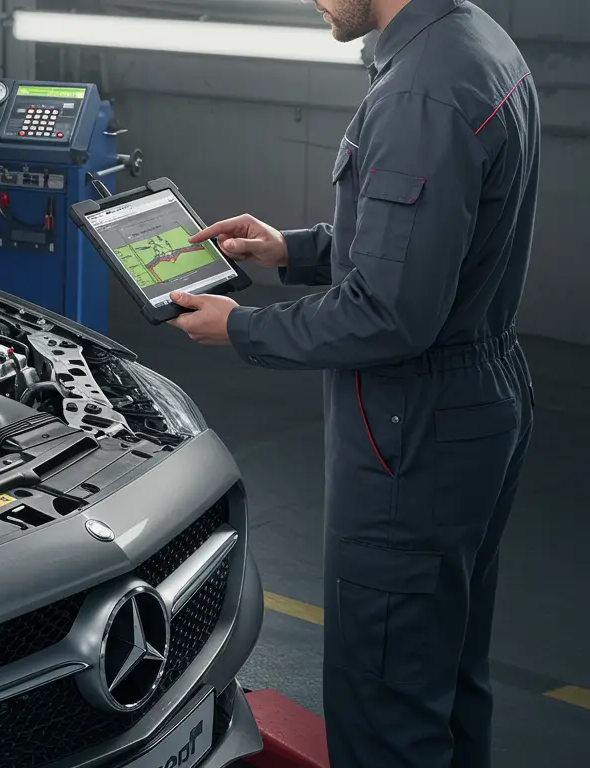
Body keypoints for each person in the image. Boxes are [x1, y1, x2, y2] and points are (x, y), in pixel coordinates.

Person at [164, 1, 539, 766]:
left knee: (385, 705)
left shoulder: (418, 93)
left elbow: (392, 315)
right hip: (477, 401)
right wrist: (288, 249)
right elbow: (428, 250)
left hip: (413, 427)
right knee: (448, 674)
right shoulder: (479, 45)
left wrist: (241, 327)